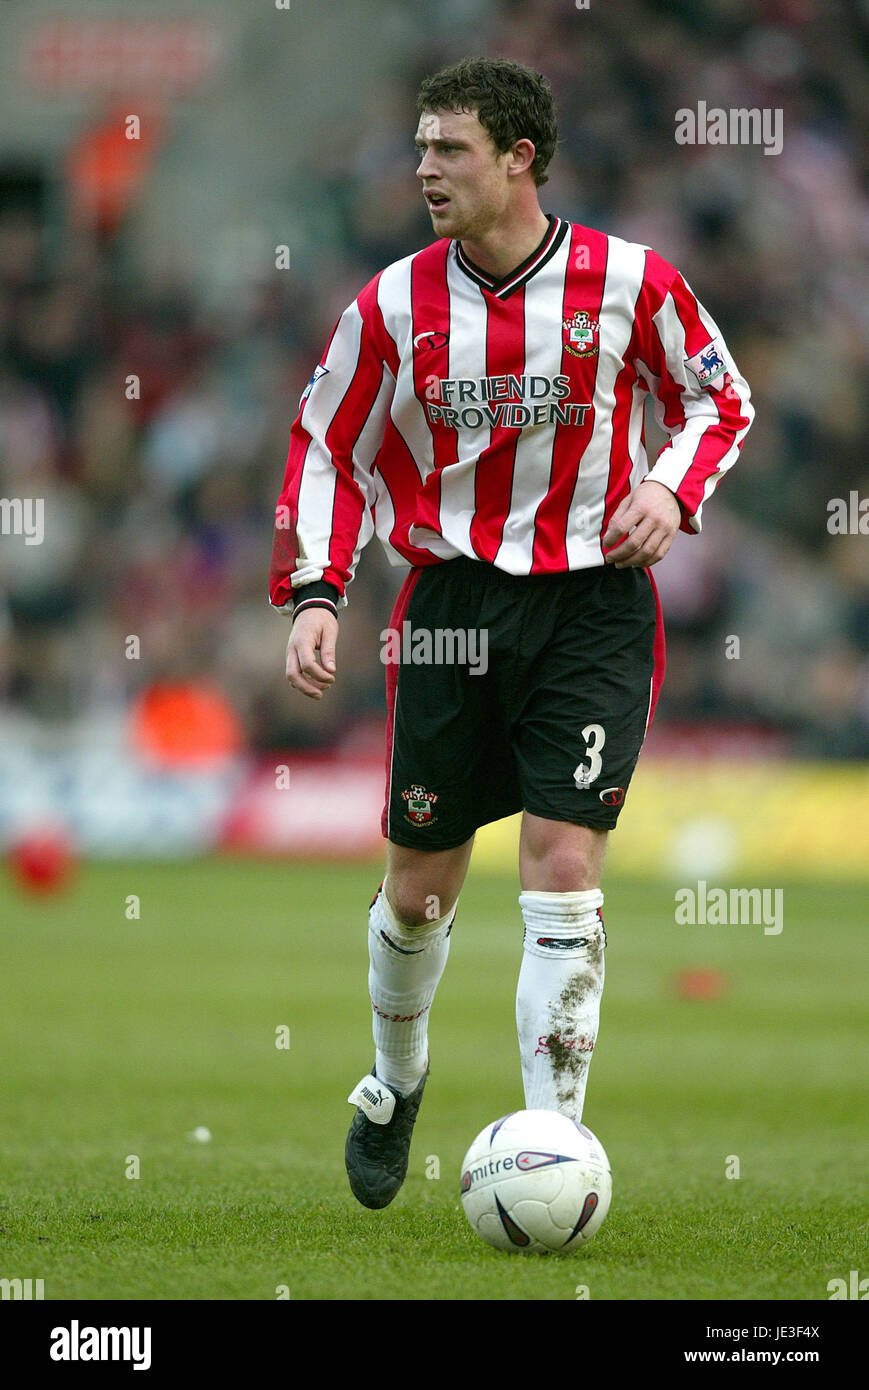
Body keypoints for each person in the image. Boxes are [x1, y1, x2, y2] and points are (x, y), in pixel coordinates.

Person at [269, 58, 753, 1211]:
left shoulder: (627, 281)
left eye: (449, 151)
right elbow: (325, 443)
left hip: (590, 601)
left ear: (518, 159)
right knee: (418, 892)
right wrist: (317, 590)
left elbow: (717, 398)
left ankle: (548, 1148)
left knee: (564, 866)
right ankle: (394, 1081)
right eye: (421, 149)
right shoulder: (391, 304)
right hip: (448, 609)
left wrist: (671, 494)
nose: (424, 170)